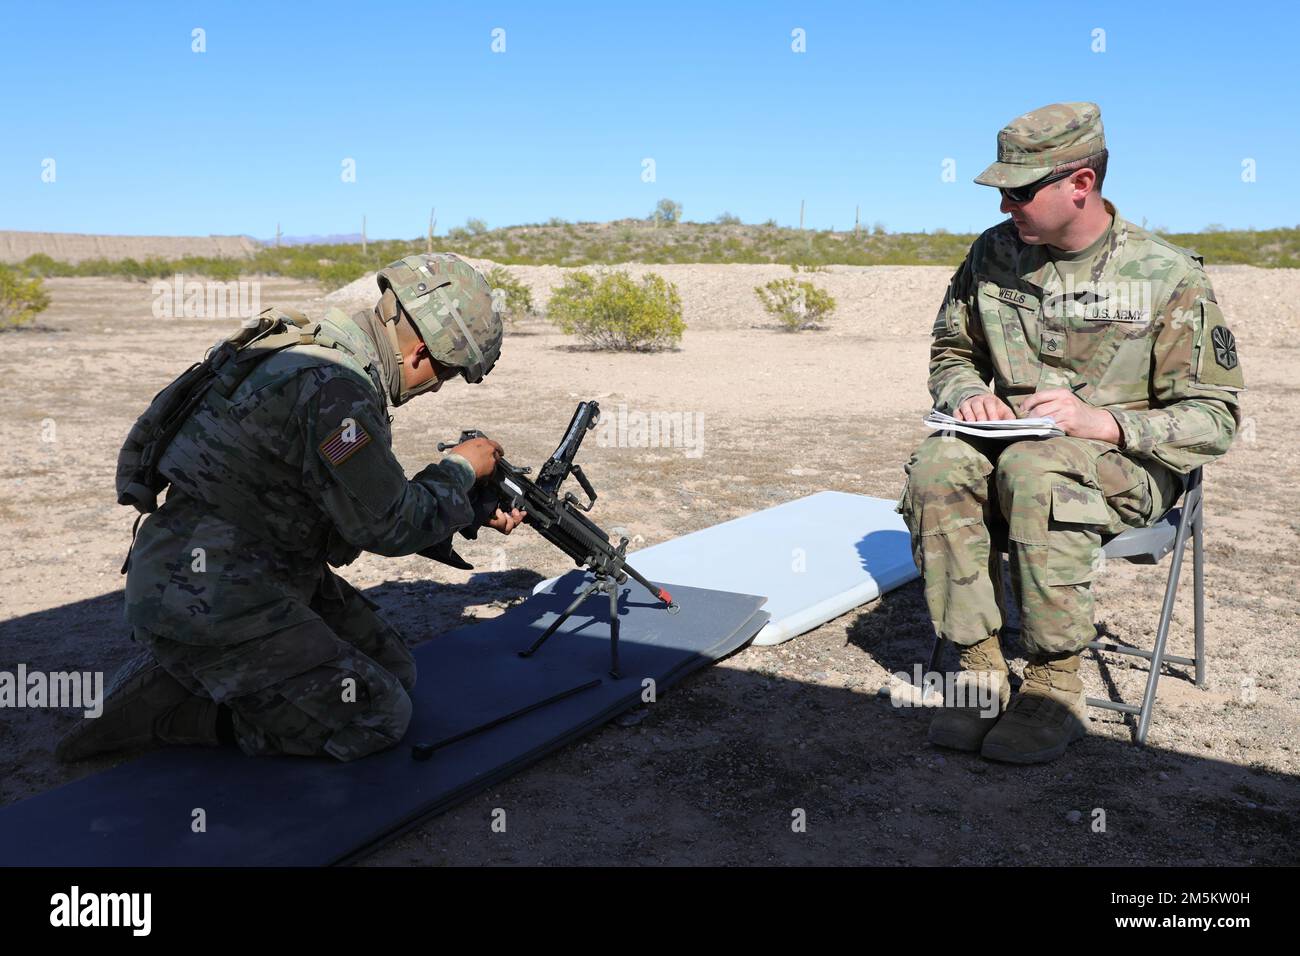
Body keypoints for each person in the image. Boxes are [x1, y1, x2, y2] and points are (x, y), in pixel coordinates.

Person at [57, 253, 524, 762]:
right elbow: (388, 525)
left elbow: (340, 504)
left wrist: (467, 508)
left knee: (395, 668)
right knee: (379, 715)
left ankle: (214, 673)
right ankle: (171, 708)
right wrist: (459, 469)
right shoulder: (334, 388)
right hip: (208, 590)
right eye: (446, 374)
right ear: (420, 354)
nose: (435, 388)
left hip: (257, 564)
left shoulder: (316, 350)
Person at [896, 102, 1245, 763]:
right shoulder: (992, 256)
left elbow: (1214, 416)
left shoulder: (1167, 276)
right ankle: (979, 665)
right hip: (1011, 453)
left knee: (1036, 471)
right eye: (1002, 189)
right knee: (938, 467)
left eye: (1020, 190)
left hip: (1124, 467)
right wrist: (969, 395)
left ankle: (1056, 682)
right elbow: (952, 350)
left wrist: (1106, 422)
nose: (1006, 204)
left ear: (1079, 184)